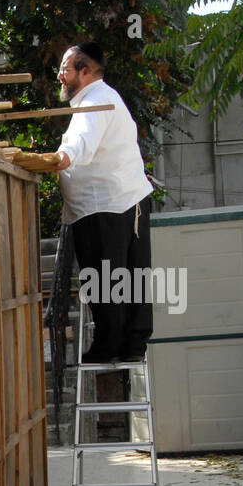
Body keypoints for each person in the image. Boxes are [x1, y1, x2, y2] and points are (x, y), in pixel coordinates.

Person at [46, 41, 154, 364]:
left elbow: (81, 140)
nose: (60, 76)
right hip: (117, 204)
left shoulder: (96, 102)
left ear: (85, 71)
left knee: (107, 282)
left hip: (104, 209)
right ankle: (130, 344)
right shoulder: (100, 100)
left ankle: (111, 346)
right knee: (128, 280)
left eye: (65, 69)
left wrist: (62, 157)